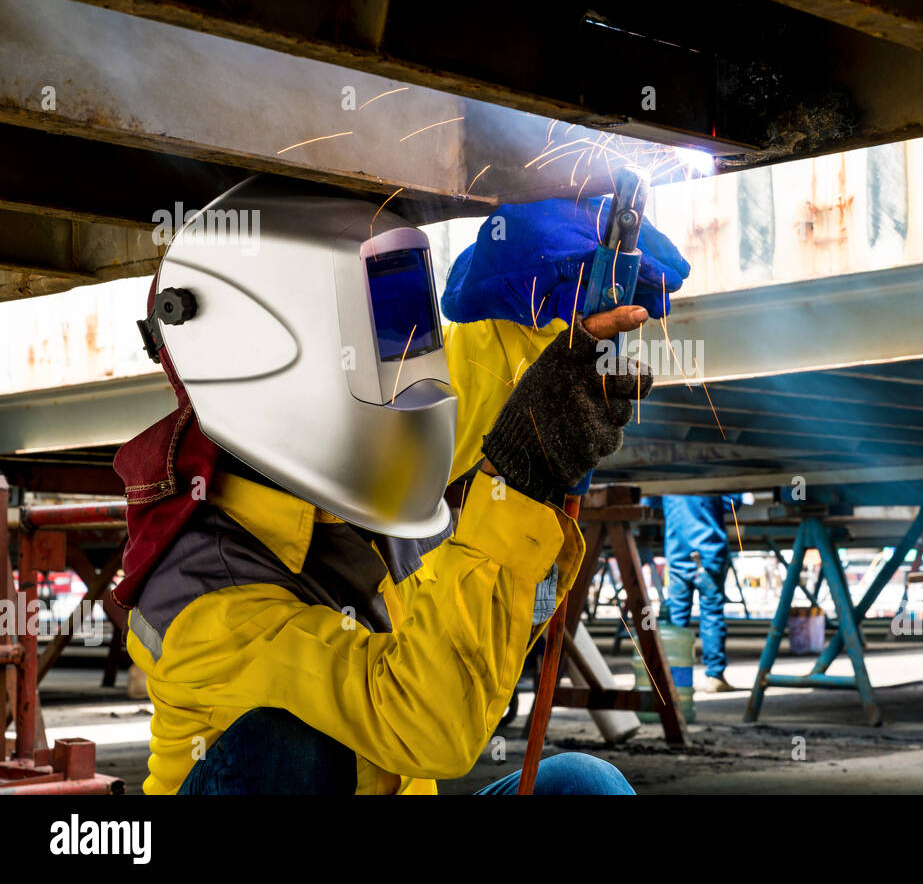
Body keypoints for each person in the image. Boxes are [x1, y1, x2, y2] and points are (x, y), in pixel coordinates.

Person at [115, 177, 688, 794]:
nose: (407, 355)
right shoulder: (207, 603)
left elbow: (488, 374)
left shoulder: (366, 451)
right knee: (289, 749)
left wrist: (559, 304)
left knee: (582, 787)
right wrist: (518, 484)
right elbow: (429, 726)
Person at [660, 494, 746, 693]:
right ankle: (714, 677)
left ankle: (675, 678)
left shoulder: (665, 480)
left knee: (675, 620)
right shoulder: (713, 475)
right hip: (710, 555)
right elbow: (732, 503)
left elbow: (648, 502)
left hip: (677, 555)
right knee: (712, 615)